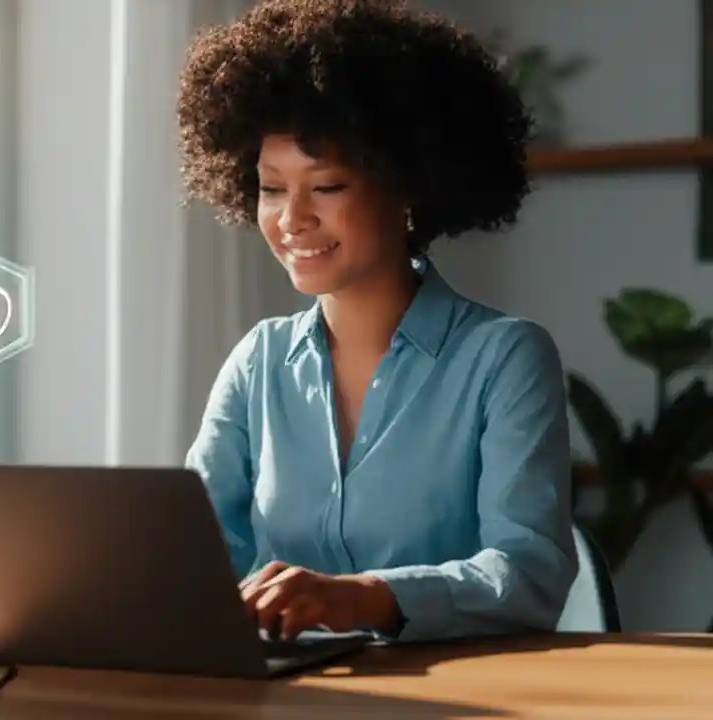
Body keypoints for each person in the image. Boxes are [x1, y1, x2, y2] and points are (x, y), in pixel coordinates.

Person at [177, 0, 577, 642]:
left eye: (326, 187)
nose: (291, 218)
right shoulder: (258, 363)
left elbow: (527, 572)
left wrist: (364, 599)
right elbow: (189, 557)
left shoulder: (504, 358)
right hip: (287, 695)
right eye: (272, 188)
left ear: (409, 186)